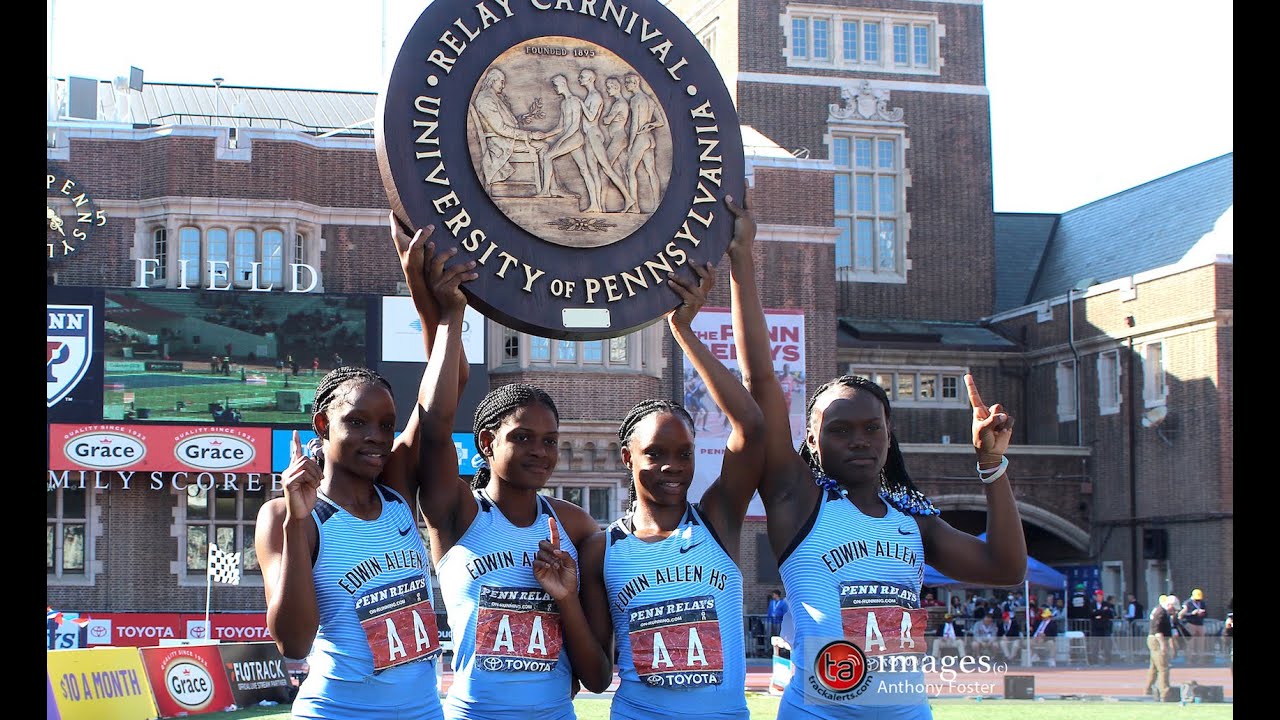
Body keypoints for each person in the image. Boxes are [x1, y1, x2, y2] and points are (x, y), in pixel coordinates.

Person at [724, 194, 1027, 719]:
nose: (859, 440)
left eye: (872, 428)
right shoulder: (798, 500)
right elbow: (762, 380)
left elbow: (1006, 567)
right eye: (840, 430)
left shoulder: (913, 522)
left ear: (890, 437)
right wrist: (742, 258)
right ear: (813, 441)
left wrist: (991, 465)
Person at [405, 217, 608, 720]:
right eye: (522, 438)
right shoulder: (458, 513)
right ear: (485, 443)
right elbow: (434, 424)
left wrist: (564, 597)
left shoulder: (576, 527)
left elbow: (598, 677)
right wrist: (449, 314)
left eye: (550, 441)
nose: (540, 451)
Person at [578, 259, 765, 720]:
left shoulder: (717, 519)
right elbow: (598, 676)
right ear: (627, 458)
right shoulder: (602, 549)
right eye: (656, 453)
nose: (672, 466)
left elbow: (752, 427)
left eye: (684, 453)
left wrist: (683, 330)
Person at [621, 73, 664, 213]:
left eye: (628, 83)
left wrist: (631, 143)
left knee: (629, 170)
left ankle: (635, 206)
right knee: (651, 170)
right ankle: (657, 204)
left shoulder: (636, 100)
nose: (626, 85)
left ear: (635, 83)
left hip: (640, 139)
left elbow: (634, 124)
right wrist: (650, 125)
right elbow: (660, 121)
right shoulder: (650, 100)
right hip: (649, 138)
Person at [1146, 594, 1178, 701]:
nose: (1174, 612)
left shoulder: (1162, 611)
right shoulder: (1161, 612)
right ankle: (1165, 693)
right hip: (1157, 640)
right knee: (1163, 668)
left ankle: (1148, 689)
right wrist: (1164, 646)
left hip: (1155, 639)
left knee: (1154, 668)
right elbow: (1157, 631)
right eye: (1173, 609)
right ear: (1169, 605)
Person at [1178, 588, 1208, 665]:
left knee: (1201, 644)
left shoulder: (1202, 603)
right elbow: (1182, 615)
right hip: (1190, 624)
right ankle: (1189, 660)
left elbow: (1207, 613)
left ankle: (1200, 660)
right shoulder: (1187, 603)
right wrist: (1192, 613)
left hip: (1200, 624)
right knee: (1190, 643)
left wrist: (1203, 613)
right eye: (1196, 599)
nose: (1198, 601)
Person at [1088, 588, 1114, 664]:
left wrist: (1098, 613)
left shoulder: (1107, 604)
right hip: (1096, 627)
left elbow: (1109, 614)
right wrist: (1102, 611)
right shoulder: (1092, 604)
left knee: (1107, 645)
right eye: (1096, 596)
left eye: (1099, 596)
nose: (1098, 597)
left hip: (1105, 627)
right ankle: (1094, 661)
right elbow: (1091, 614)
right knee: (1095, 645)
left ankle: (1108, 661)